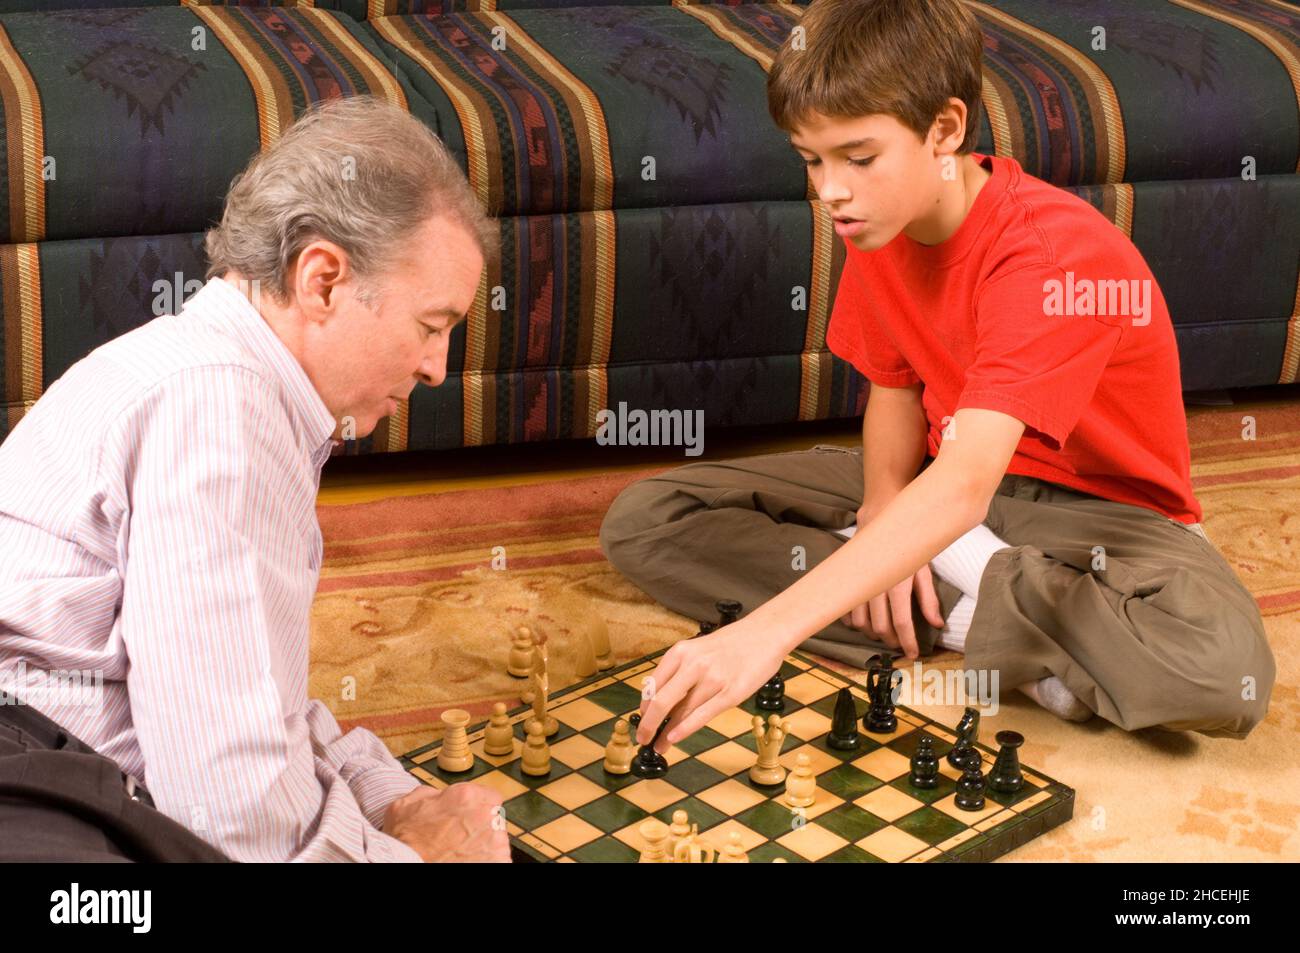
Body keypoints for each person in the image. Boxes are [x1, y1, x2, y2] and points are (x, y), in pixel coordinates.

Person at [601, 0, 1274, 751]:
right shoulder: (880, 219)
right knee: (648, 520)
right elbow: (894, 388)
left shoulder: (1049, 259)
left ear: (946, 130)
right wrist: (887, 509)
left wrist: (765, 635)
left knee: (1216, 669)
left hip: (1100, 518)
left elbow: (963, 487)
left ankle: (961, 598)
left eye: (858, 158)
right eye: (811, 159)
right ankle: (1033, 642)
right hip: (947, 486)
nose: (831, 191)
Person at [0, 96, 508, 862]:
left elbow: (243, 702)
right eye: (431, 327)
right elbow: (235, 815)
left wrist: (387, 795)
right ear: (324, 280)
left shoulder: (217, 377)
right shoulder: (221, 411)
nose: (437, 368)